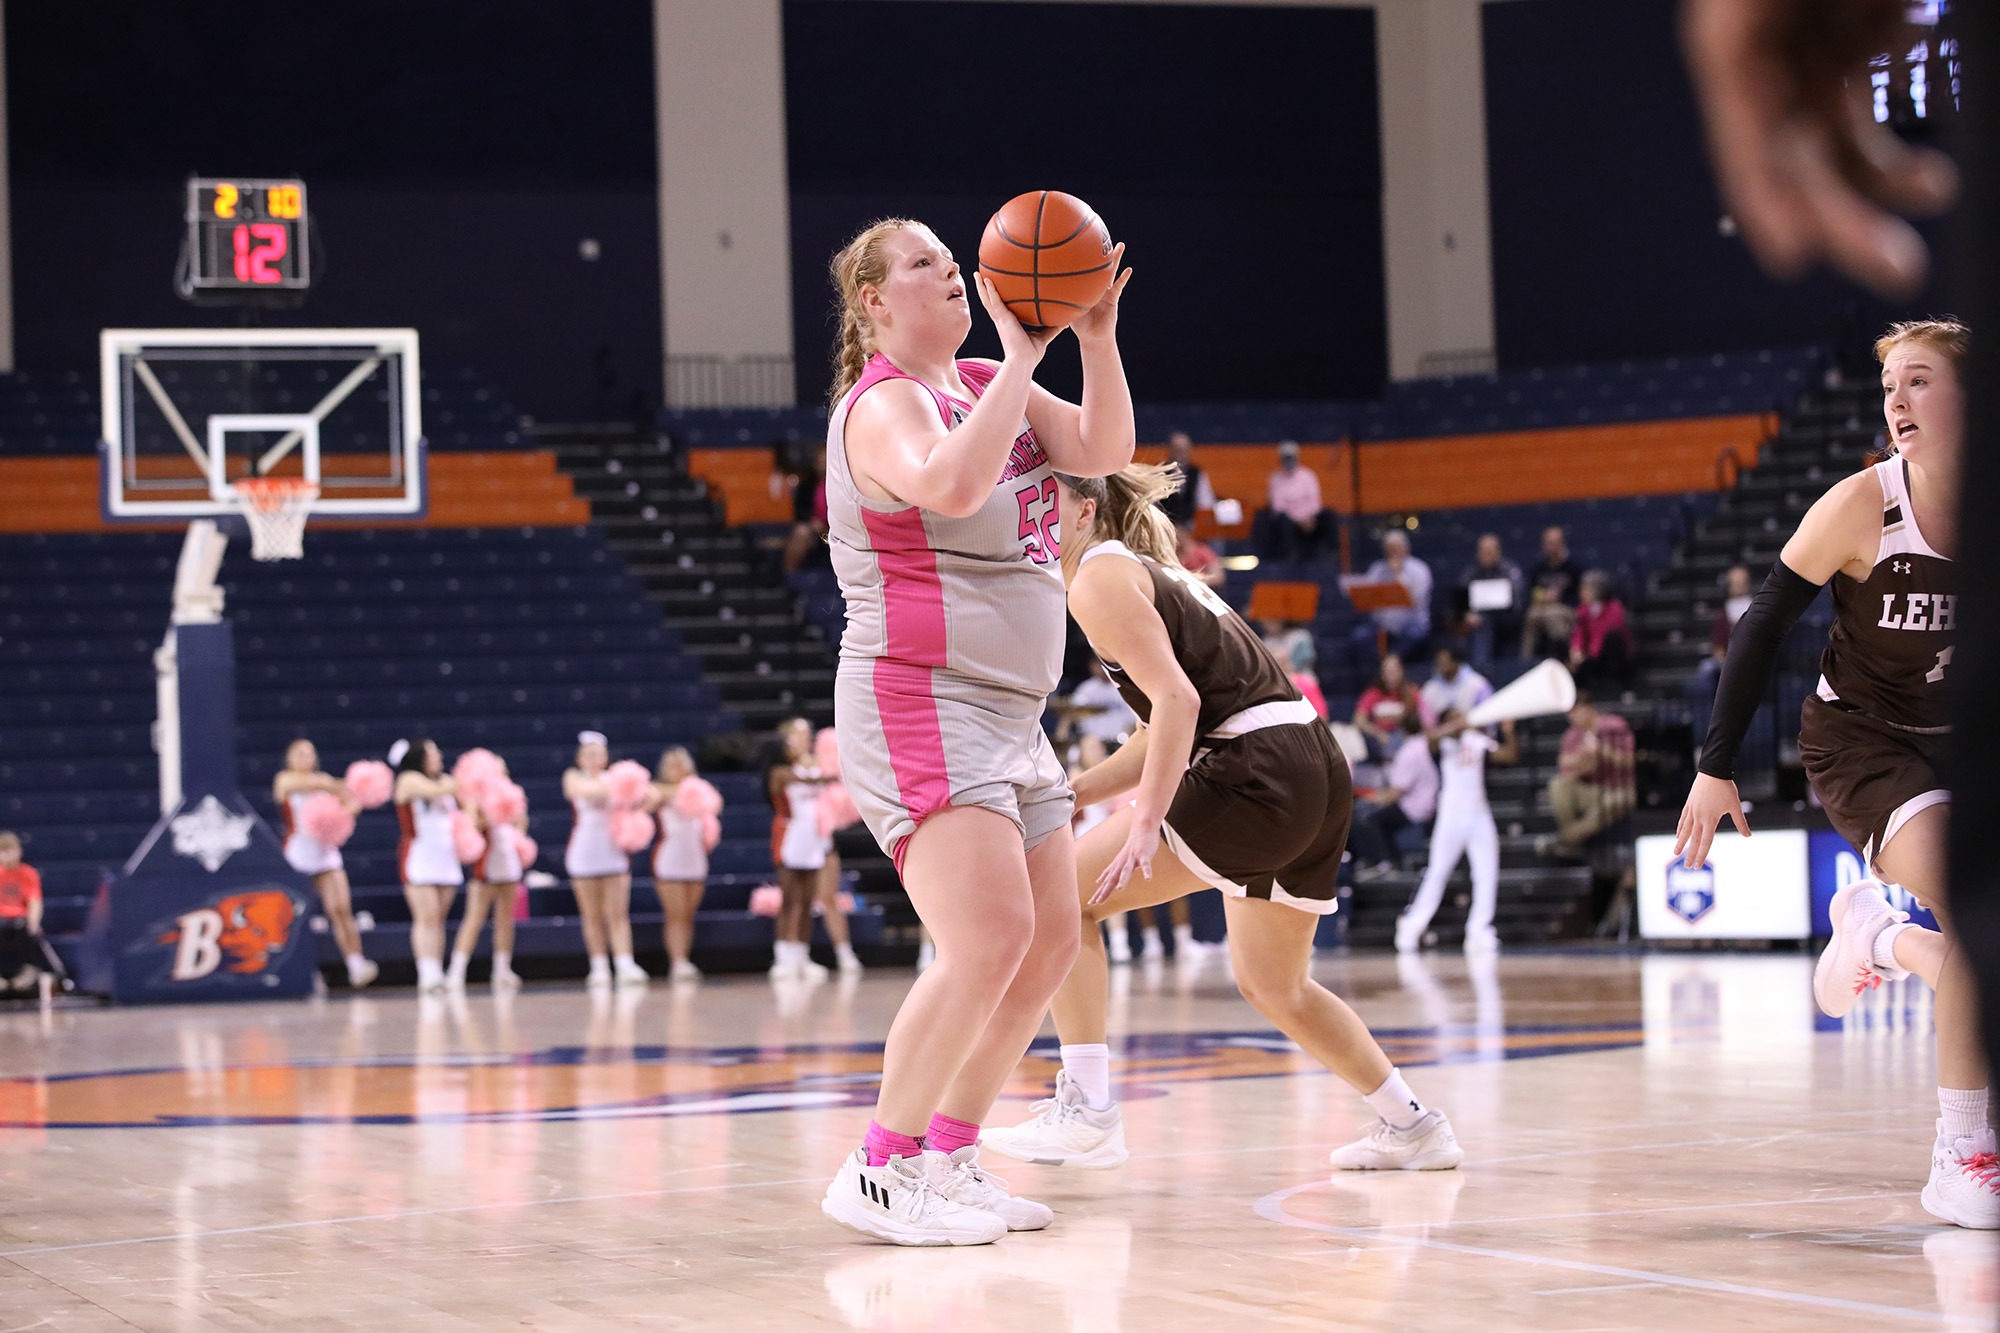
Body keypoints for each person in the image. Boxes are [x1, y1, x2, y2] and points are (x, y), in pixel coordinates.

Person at [981, 467, 1462, 1175]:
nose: (1031, 517)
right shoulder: (1141, 571)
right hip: (1312, 763)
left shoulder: (1096, 580)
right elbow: (1164, 724)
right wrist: (1080, 791)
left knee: (1061, 899)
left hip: (1255, 768)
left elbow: (1179, 704)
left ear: (1086, 511)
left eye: (1043, 503)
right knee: (1276, 984)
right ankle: (1412, 1124)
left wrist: (1146, 818)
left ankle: (1087, 1110)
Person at [815, 217, 1134, 1246]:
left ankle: (945, 1153)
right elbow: (949, 484)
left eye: (954, 264)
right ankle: (877, 1169)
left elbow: (1103, 450)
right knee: (985, 937)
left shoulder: (984, 375)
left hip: (1008, 709)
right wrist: (1029, 357)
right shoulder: (883, 407)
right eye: (924, 267)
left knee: (1045, 942)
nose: (951, 277)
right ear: (873, 302)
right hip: (920, 696)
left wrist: (1093, 334)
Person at [1679, 319, 1992, 1228]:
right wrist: (1715, 766)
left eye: (1920, 382)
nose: (1897, 401)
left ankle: (1877, 935)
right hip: (1863, 740)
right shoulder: (1864, 505)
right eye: (1890, 385)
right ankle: (1962, 1153)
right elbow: (1764, 622)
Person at [1397, 711, 1517, 955]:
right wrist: (1456, 725)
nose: (1463, 720)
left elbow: (1508, 755)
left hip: (1478, 812)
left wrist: (1509, 732)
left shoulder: (1477, 739)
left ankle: (1479, 929)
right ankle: (1411, 926)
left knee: (1486, 871)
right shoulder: (1443, 741)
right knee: (1438, 871)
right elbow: (1430, 739)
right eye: (1455, 717)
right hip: (1451, 814)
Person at [273, 739, 377, 990]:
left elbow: (351, 802)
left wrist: (347, 810)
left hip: (326, 852)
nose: (304, 757)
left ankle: (355, 964)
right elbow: (304, 787)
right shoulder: (286, 780)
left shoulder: (324, 781)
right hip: (298, 854)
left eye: (309, 753)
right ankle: (306, 970)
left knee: (341, 908)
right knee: (298, 916)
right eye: (298, 753)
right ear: (289, 759)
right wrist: (337, 786)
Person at [564, 731, 648, 989]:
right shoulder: (574, 776)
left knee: (618, 912)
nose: (594, 759)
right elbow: (581, 792)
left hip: (613, 849)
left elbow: (649, 795)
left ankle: (624, 963)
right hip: (585, 849)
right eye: (589, 754)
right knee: (591, 914)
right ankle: (598, 966)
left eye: (599, 754)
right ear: (580, 758)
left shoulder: (617, 778)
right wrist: (620, 790)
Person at [768, 717, 842, 981]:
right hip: (789, 837)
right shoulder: (780, 772)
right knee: (790, 900)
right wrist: (829, 775)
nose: (801, 741)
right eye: (795, 736)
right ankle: (782, 957)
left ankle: (801, 956)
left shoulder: (816, 768)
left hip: (813, 839)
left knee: (809, 901)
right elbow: (806, 780)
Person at [446, 754, 525, 992]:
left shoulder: (510, 794)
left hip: (507, 858)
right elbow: (470, 824)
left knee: (505, 920)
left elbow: (521, 822)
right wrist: (484, 814)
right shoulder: (475, 797)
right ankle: (456, 971)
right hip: (486, 861)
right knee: (475, 917)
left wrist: (517, 832)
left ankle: (502, 969)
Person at [392, 738, 461, 994]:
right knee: (426, 915)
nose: (438, 755)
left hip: (446, 857)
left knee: (439, 918)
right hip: (419, 856)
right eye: (432, 752)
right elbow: (435, 791)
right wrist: (461, 782)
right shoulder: (408, 779)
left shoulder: (444, 782)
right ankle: (426, 972)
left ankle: (436, 970)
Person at [648, 746, 717, 983]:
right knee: (675, 914)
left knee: (688, 914)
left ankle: (685, 958)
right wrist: (685, 791)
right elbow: (649, 798)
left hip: (695, 858)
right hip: (670, 859)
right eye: (671, 765)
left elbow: (715, 804)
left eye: (681, 764)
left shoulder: (699, 789)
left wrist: (693, 791)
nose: (676, 769)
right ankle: (676, 961)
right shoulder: (659, 790)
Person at [1347, 711, 1440, 878]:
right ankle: (1387, 859)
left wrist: (1372, 799)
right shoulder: (1421, 744)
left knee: (1364, 818)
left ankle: (1383, 862)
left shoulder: (1410, 751)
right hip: (1422, 801)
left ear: (1402, 730)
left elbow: (1394, 794)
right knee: (1367, 811)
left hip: (1414, 807)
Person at [1546, 695, 1634, 856]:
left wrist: (1601, 751)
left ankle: (1565, 839)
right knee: (1558, 785)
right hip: (1591, 789)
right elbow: (1564, 764)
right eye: (1570, 714)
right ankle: (1572, 840)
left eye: (1576, 712)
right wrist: (1581, 760)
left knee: (1611, 802)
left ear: (1589, 708)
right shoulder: (1572, 734)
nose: (1572, 717)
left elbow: (1630, 761)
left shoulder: (1614, 726)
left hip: (1620, 788)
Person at [1686, 564, 1754, 754]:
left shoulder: (1757, 606)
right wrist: (1725, 661)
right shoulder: (1723, 613)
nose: (1739, 586)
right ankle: (1710, 723)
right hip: (1727, 660)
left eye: (1743, 582)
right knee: (1706, 669)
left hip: (1754, 659)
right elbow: (1716, 644)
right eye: (1735, 583)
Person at [1353, 530, 1434, 664]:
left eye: (1397, 547)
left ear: (1406, 548)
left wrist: (1397, 575)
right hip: (1382, 626)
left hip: (1411, 625)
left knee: (1415, 634)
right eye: (1389, 548)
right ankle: (1384, 667)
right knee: (1359, 636)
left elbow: (1416, 601)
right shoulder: (1377, 569)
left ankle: (1390, 664)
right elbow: (1368, 598)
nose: (1393, 552)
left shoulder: (1419, 569)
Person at [1254, 440, 1335, 562]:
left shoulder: (1308, 475)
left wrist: (1308, 518)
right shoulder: (1276, 479)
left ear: (1297, 457)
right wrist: (1298, 521)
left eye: (1291, 457)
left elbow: (1315, 501)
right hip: (1290, 522)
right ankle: (1291, 557)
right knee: (1282, 520)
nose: (1289, 461)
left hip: (1310, 519)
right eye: (1286, 458)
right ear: (1280, 459)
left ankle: (1332, 555)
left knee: (1329, 515)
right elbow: (1278, 507)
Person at [1455, 533, 1525, 670]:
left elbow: (1516, 597)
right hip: (1480, 620)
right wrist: (1467, 614)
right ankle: (1481, 667)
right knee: (1482, 622)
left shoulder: (1510, 570)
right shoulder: (1470, 573)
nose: (1486, 555)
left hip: (1507, 618)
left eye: (1490, 551)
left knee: (1485, 621)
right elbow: (1461, 602)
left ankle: (1480, 668)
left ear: (1498, 551)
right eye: (1482, 551)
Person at [1352, 652, 1434, 765]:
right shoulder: (1373, 693)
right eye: (1387, 672)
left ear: (1401, 671)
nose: (1391, 676)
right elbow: (1359, 720)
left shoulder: (1411, 692)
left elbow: (1425, 718)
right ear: (1382, 674)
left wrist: (1404, 717)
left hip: (1407, 737)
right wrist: (1377, 732)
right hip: (1382, 738)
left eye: (1394, 672)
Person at [1568, 570, 1636, 694]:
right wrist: (1576, 649)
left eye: (1585, 589)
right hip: (1592, 657)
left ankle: (1618, 685)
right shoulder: (1583, 610)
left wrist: (1588, 655)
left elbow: (1604, 633)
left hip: (1612, 656)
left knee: (1613, 639)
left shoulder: (1615, 608)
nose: (1581, 592)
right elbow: (1579, 632)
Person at [1521, 526, 1583, 658]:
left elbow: (1582, 598)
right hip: (1541, 608)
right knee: (1531, 615)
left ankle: (1562, 657)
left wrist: (1559, 599)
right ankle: (1526, 662)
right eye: (1549, 543)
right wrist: (1539, 597)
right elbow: (1528, 594)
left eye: (1555, 543)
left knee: (1552, 614)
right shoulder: (1537, 569)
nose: (1552, 547)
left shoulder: (1574, 567)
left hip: (1566, 609)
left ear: (1563, 544)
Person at [0, 832, 44, 992]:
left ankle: (29, 971)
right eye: (3, 851)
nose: (8, 855)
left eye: (11, 850)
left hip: (21, 920)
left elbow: (35, 901)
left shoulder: (29, 873)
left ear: (19, 851)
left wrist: (34, 922)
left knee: (29, 931)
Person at [1062, 660, 1138, 750]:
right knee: (1089, 744)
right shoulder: (1086, 688)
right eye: (1098, 664)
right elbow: (1070, 712)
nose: (1102, 668)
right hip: (1093, 740)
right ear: (1091, 666)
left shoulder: (1126, 687)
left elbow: (1136, 720)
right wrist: (1062, 737)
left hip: (1122, 740)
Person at [1156, 431, 1214, 531]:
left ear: (1189, 450)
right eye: (1176, 450)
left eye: (1183, 450)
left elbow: (1205, 502)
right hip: (1165, 525)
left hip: (1190, 525)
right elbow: (1153, 503)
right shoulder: (1159, 471)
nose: (1180, 454)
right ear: (1170, 450)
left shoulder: (1197, 473)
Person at [1419, 645, 1491, 724]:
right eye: (1439, 661)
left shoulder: (1478, 684)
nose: (1441, 665)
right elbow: (1427, 723)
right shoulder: (1429, 688)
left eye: (1445, 661)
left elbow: (1486, 718)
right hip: (1439, 733)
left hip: (1472, 732)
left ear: (1457, 662)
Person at [1174, 524, 1223, 588]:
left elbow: (1218, 577)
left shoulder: (1203, 552)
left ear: (1185, 535)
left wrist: (1195, 582)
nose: (1176, 540)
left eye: (1178, 537)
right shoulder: (1172, 555)